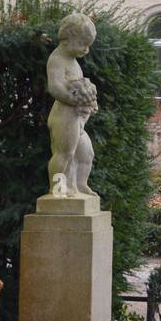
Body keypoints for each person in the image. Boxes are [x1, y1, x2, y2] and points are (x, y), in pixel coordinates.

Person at [46, 12, 99, 197]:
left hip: (76, 117)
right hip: (64, 116)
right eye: (83, 44)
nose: (86, 50)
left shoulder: (73, 61)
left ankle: (79, 184)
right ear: (68, 38)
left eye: (88, 45)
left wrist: (89, 98)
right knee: (64, 154)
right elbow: (55, 87)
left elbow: (79, 86)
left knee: (86, 153)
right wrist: (75, 99)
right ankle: (57, 188)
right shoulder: (56, 59)